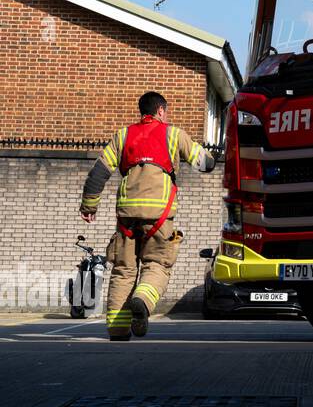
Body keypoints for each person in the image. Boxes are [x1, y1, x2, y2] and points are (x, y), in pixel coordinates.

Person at [79, 92, 216, 340]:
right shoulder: (173, 135)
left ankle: (118, 330)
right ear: (161, 111)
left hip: (126, 218)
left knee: (123, 270)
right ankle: (142, 300)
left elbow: (98, 173)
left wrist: (89, 206)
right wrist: (209, 157)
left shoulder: (123, 136)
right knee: (158, 265)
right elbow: (205, 163)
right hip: (160, 218)